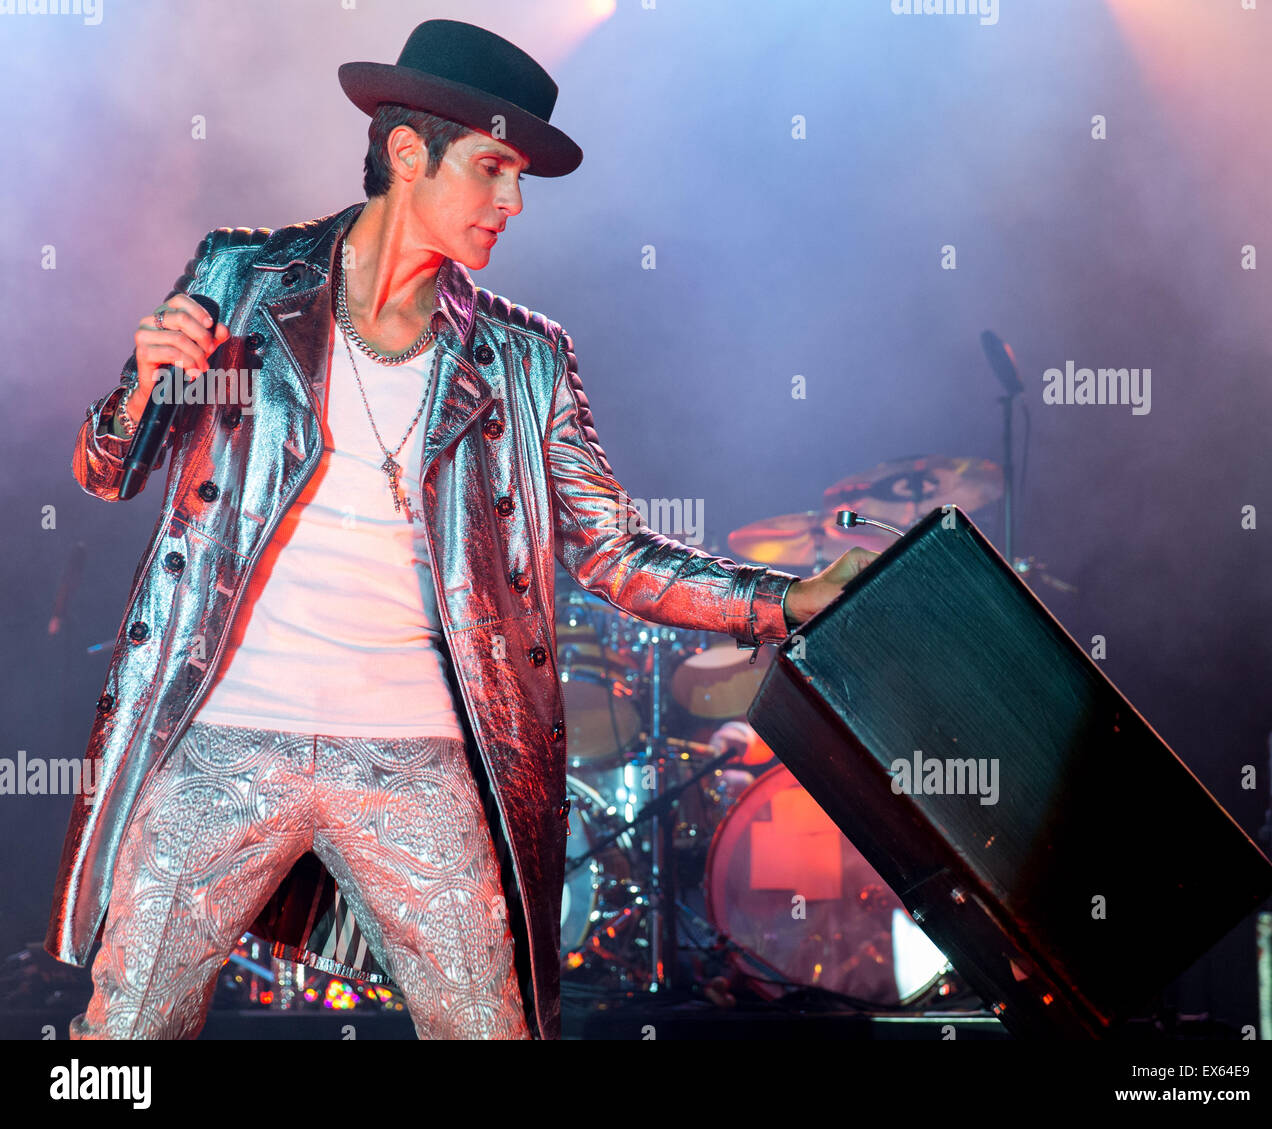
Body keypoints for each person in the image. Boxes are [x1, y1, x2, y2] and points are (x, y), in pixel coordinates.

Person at [45, 18, 868, 1040]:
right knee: (122, 1039)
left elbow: (613, 553)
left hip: (418, 762)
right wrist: (143, 395)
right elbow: (105, 472)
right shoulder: (238, 278)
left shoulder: (528, 363)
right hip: (222, 743)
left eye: (520, 176)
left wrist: (785, 598)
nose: (513, 203)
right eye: (493, 169)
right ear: (406, 152)